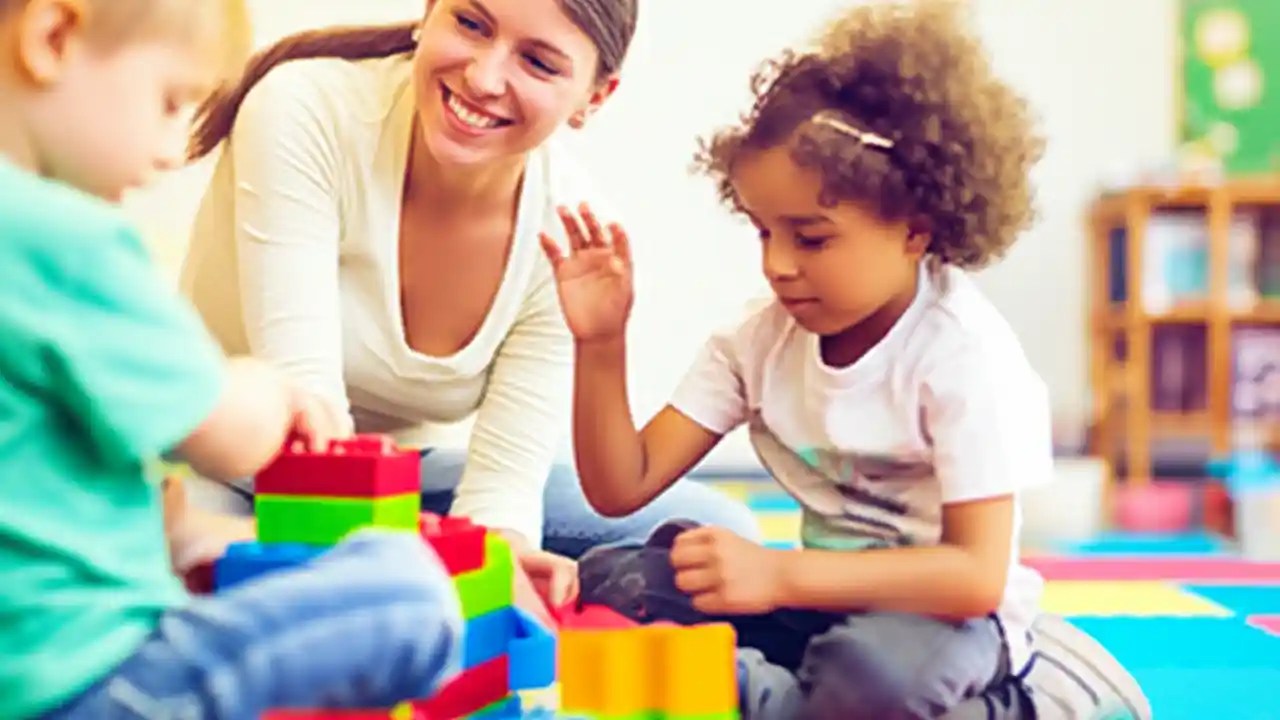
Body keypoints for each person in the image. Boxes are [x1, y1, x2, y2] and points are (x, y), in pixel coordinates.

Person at [542, 1, 1149, 718]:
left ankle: (1043, 699)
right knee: (624, 579)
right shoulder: (758, 342)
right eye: (763, 231)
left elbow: (977, 577)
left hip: (941, 620)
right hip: (817, 605)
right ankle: (780, 693)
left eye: (812, 238)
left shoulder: (965, 360)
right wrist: (602, 343)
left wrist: (778, 576)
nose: (777, 265)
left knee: (867, 676)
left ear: (916, 231)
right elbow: (621, 487)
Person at [177, 0, 760, 604]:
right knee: (177, 571)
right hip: (219, 462)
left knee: (716, 536)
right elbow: (307, 419)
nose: (482, 79)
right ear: (428, 14)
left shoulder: (572, 241)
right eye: (470, 24)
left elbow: (499, 494)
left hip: (402, 484)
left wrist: (499, 559)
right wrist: (430, 566)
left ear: (595, 97)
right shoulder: (305, 108)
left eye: (537, 61)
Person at [0, 1, 466, 717]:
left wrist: (184, 536)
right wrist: (268, 392)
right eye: (168, 103)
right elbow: (228, 434)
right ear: (52, 39)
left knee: (210, 534)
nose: (167, 150)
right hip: (83, 680)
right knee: (409, 589)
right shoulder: (67, 240)